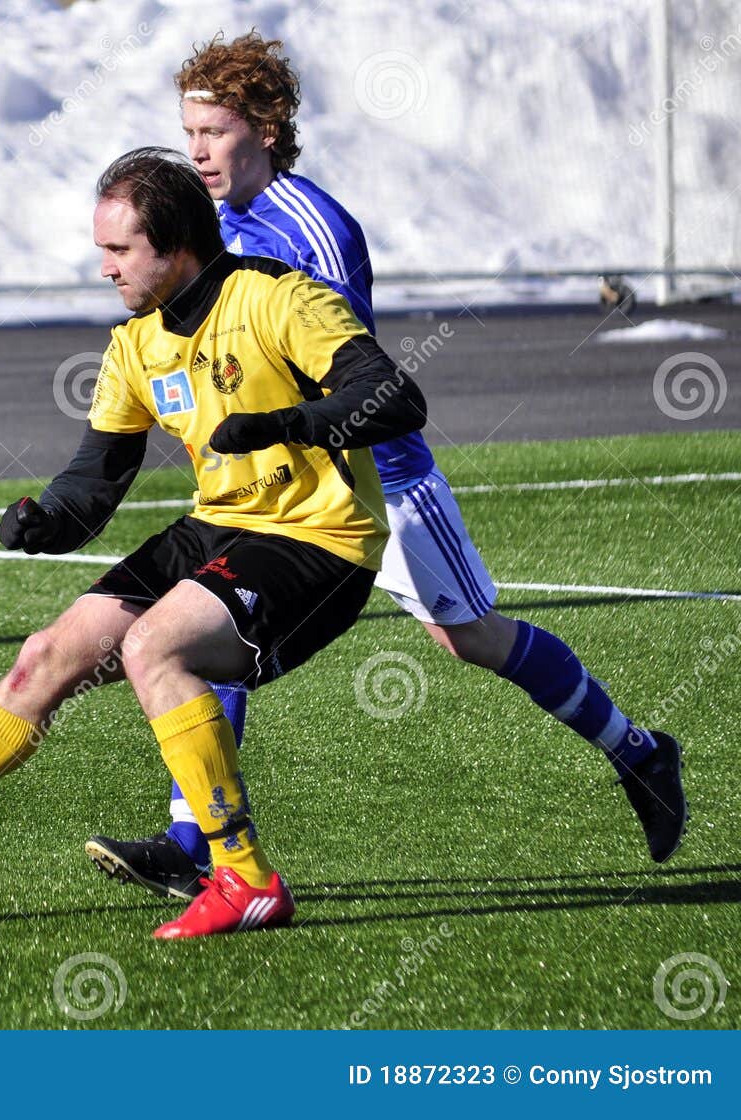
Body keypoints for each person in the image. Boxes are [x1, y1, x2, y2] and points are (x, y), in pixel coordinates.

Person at [83, 32, 687, 904]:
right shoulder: (203, 226)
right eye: (189, 133)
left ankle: (639, 752)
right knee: (206, 633)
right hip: (275, 495)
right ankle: (193, 842)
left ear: (267, 128)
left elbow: (358, 379)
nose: (199, 151)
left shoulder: (314, 229)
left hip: (379, 483)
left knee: (469, 636)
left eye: (215, 131)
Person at [0, 146, 428, 938]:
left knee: (153, 647)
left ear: (176, 245)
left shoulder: (279, 299)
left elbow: (395, 398)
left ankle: (245, 879)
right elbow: (96, 479)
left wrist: (288, 423)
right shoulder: (135, 344)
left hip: (320, 540)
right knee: (46, 655)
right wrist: (49, 520)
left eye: (120, 249)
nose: (105, 267)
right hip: (220, 525)